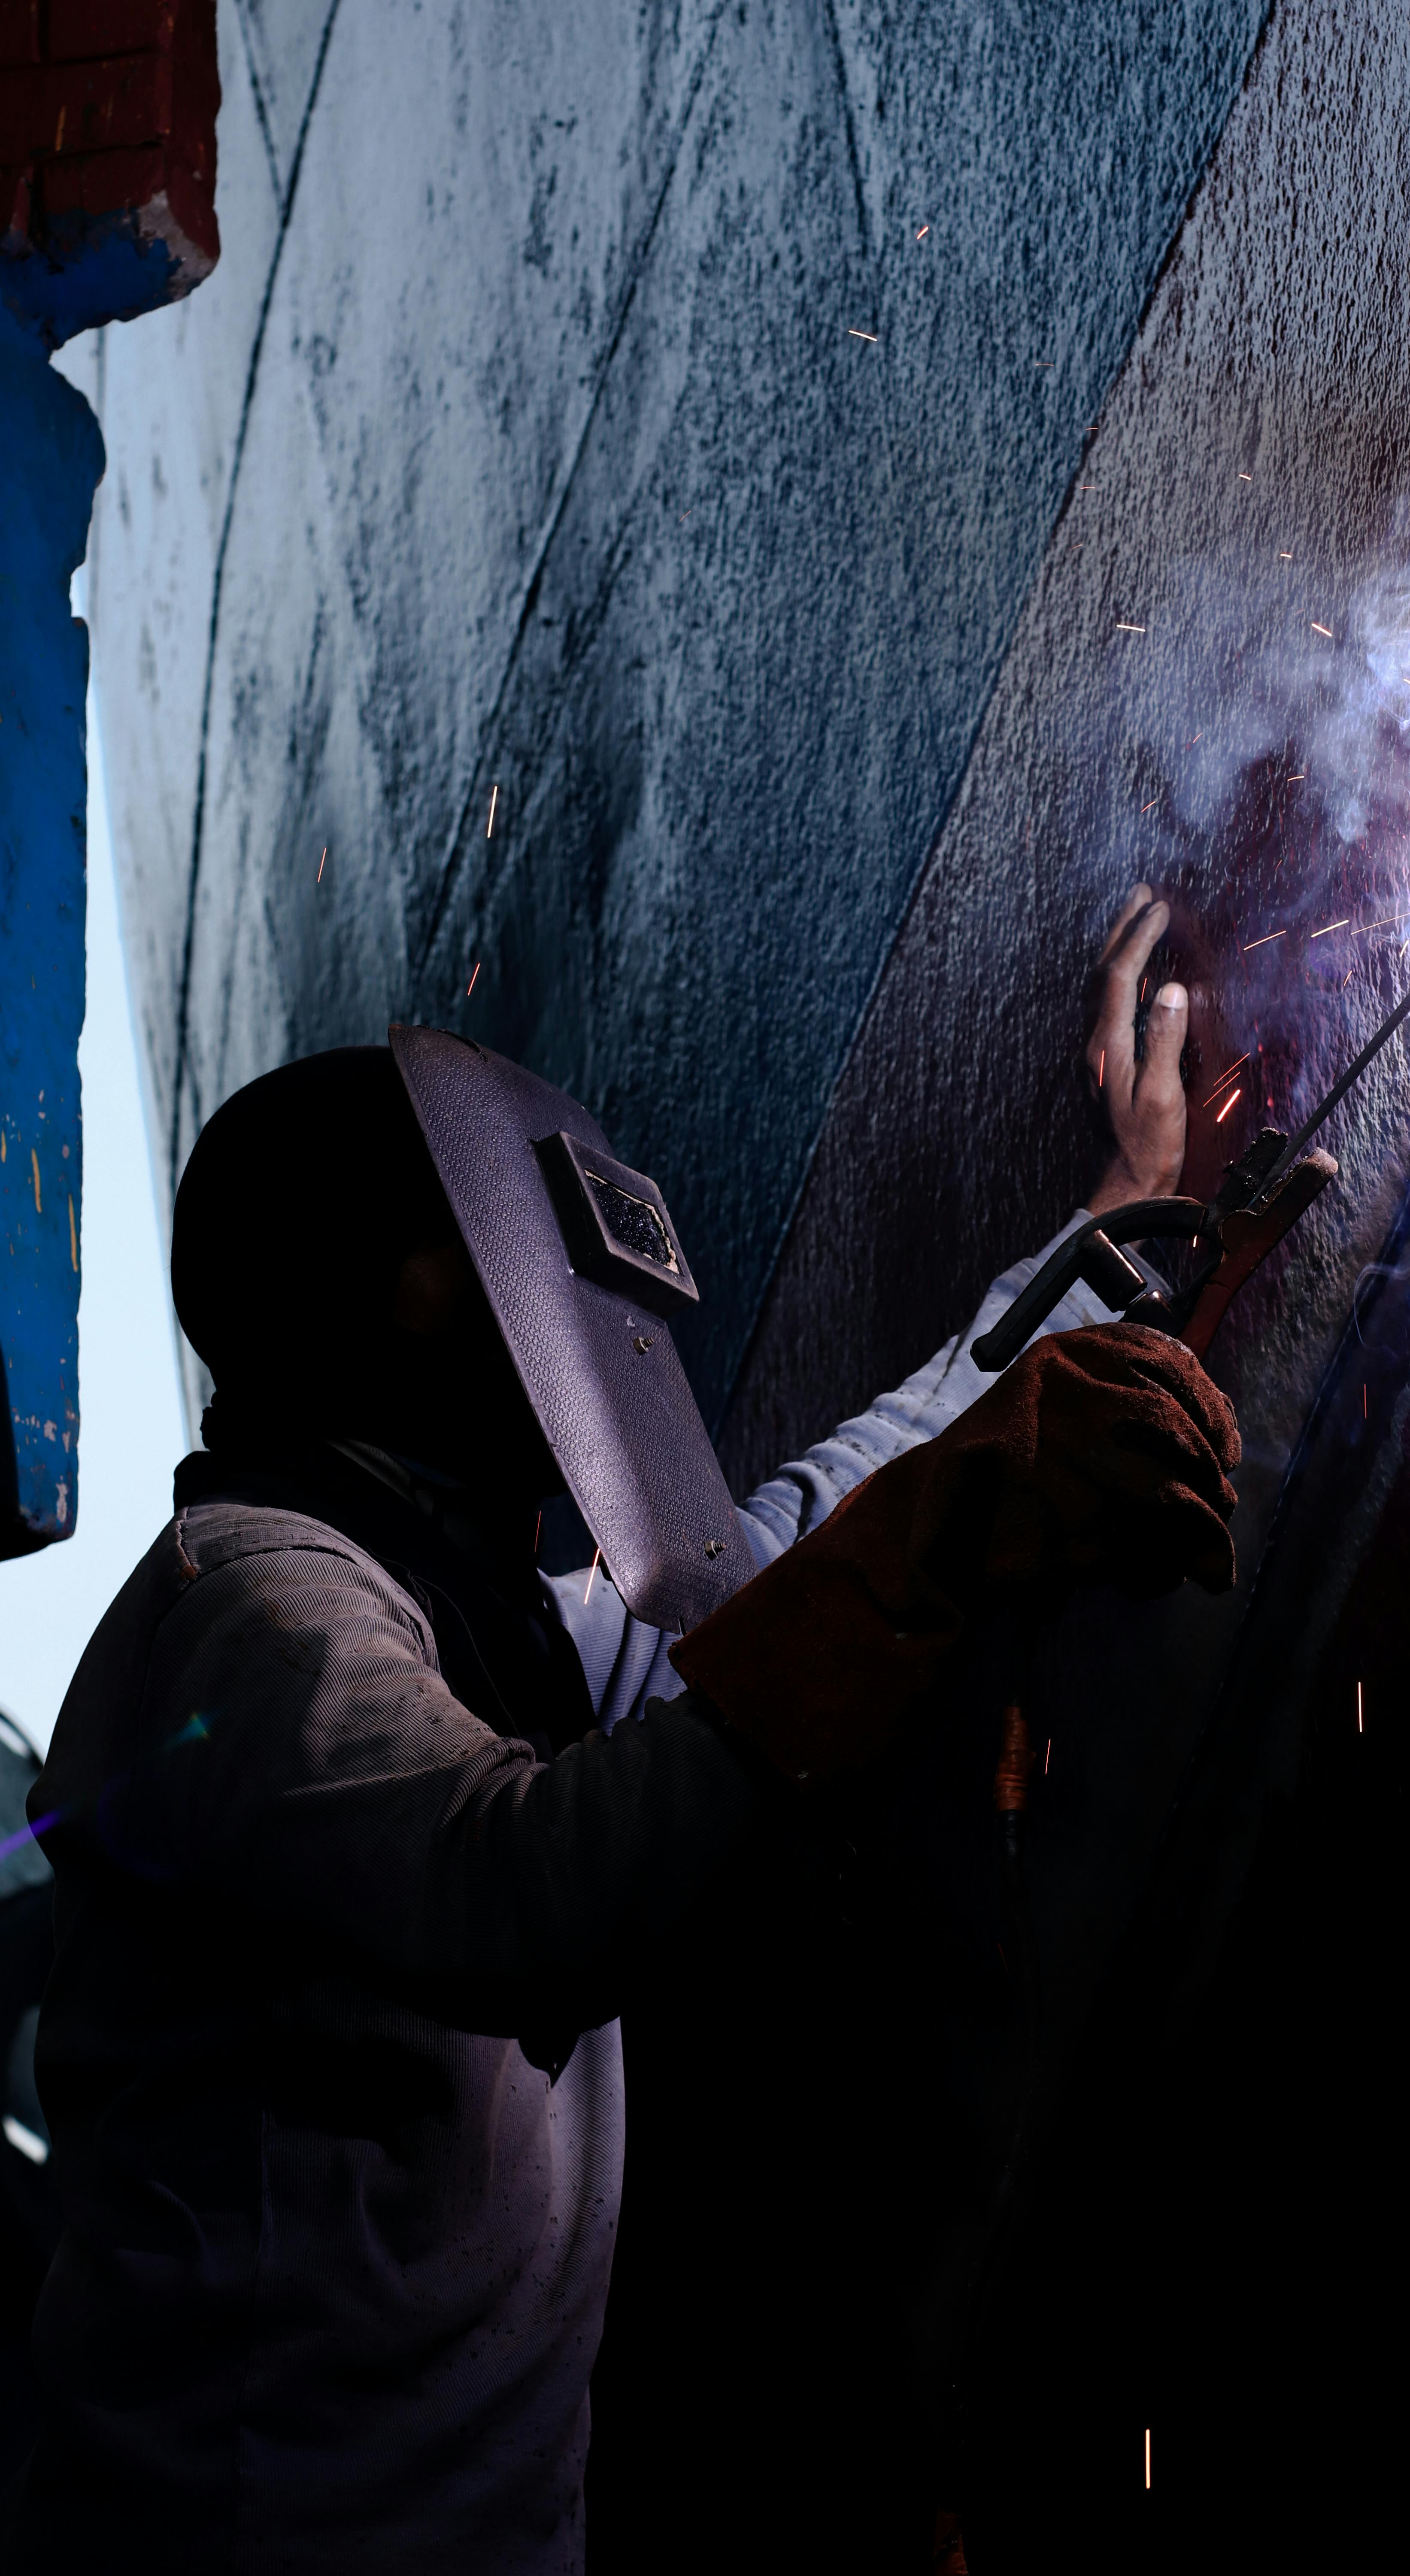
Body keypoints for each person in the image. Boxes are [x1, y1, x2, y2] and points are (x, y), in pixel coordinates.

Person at [8, 891, 1234, 2572]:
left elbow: (784, 1559)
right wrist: (944, 1533)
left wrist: (1109, 1246)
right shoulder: (251, 1609)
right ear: (424, 1295)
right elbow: (531, 1896)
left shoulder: (465, 1620)